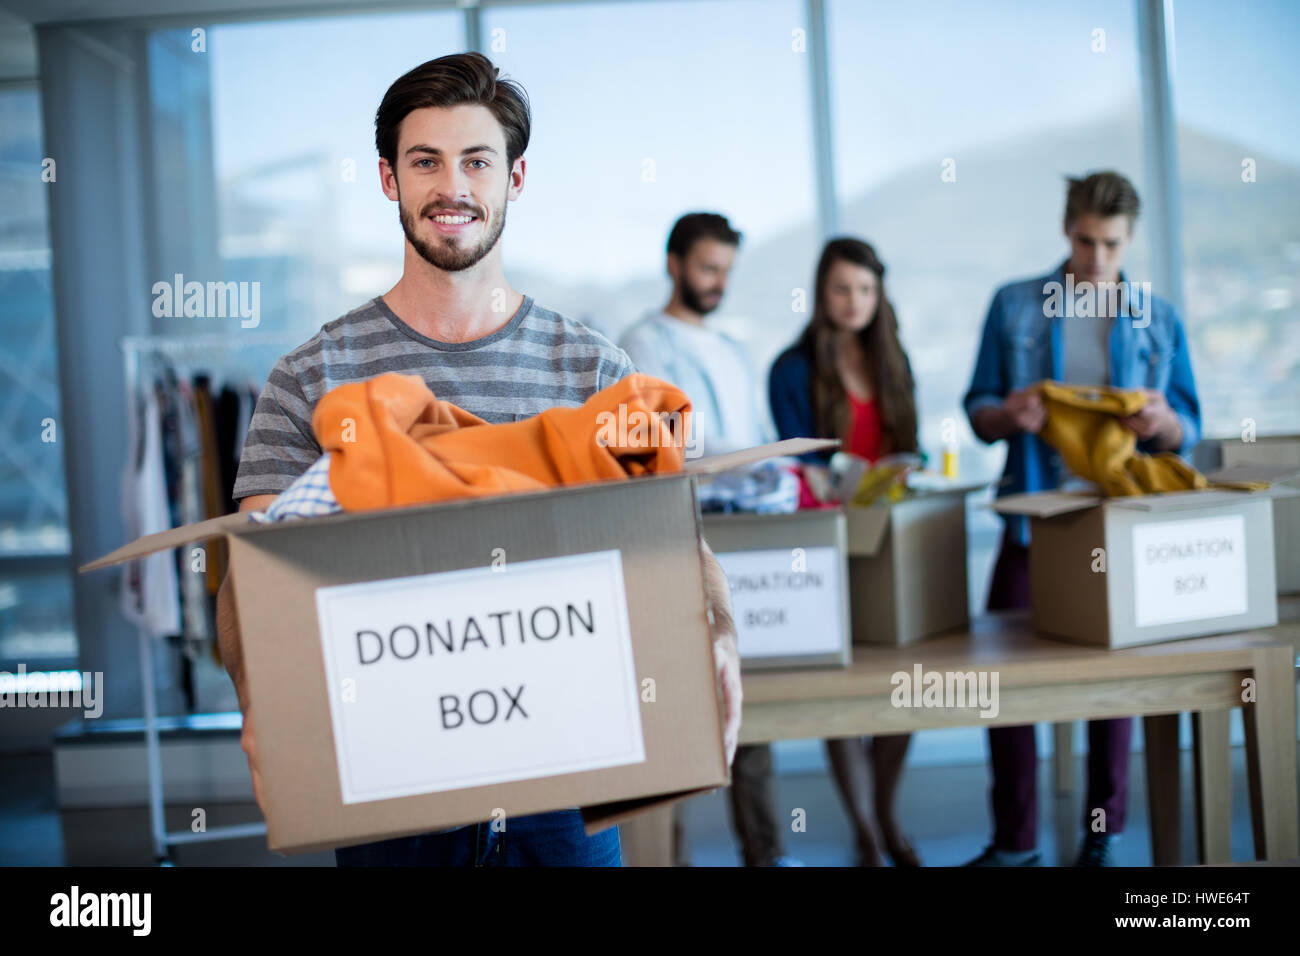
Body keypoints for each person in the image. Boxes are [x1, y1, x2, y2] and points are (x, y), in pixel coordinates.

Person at [218, 51, 743, 867]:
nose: (452, 186)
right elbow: (253, 575)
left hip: (567, 787)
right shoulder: (311, 376)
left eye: (476, 161)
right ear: (390, 180)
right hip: (388, 785)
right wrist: (260, 704)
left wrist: (717, 633)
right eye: (425, 161)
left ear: (515, 179)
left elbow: (673, 538)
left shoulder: (594, 372)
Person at [962, 170, 1201, 867]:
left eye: (1112, 245)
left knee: (1112, 683)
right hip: (1032, 516)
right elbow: (977, 409)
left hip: (1119, 521)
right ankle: (1015, 844)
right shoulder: (1014, 308)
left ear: (1131, 239)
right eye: (1085, 240)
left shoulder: (1158, 318)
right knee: (997, 681)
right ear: (1066, 229)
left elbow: (1190, 428)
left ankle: (1104, 835)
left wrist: (1162, 423)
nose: (1096, 259)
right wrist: (1009, 415)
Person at [620, 212, 794, 867]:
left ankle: (766, 853)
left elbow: (758, 433)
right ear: (674, 263)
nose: (717, 282)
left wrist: (773, 466)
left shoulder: (734, 350)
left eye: (726, 270)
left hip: (745, 543)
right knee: (681, 714)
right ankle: (674, 859)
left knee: (748, 707)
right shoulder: (641, 344)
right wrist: (748, 456)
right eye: (706, 268)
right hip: (678, 546)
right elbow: (658, 446)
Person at [769, 237, 922, 867]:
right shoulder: (791, 367)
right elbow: (794, 457)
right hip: (824, 544)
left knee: (904, 681)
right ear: (821, 292)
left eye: (865, 289)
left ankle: (885, 810)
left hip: (890, 541)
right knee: (840, 685)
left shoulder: (894, 359)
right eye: (840, 288)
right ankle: (864, 828)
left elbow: (909, 442)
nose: (853, 301)